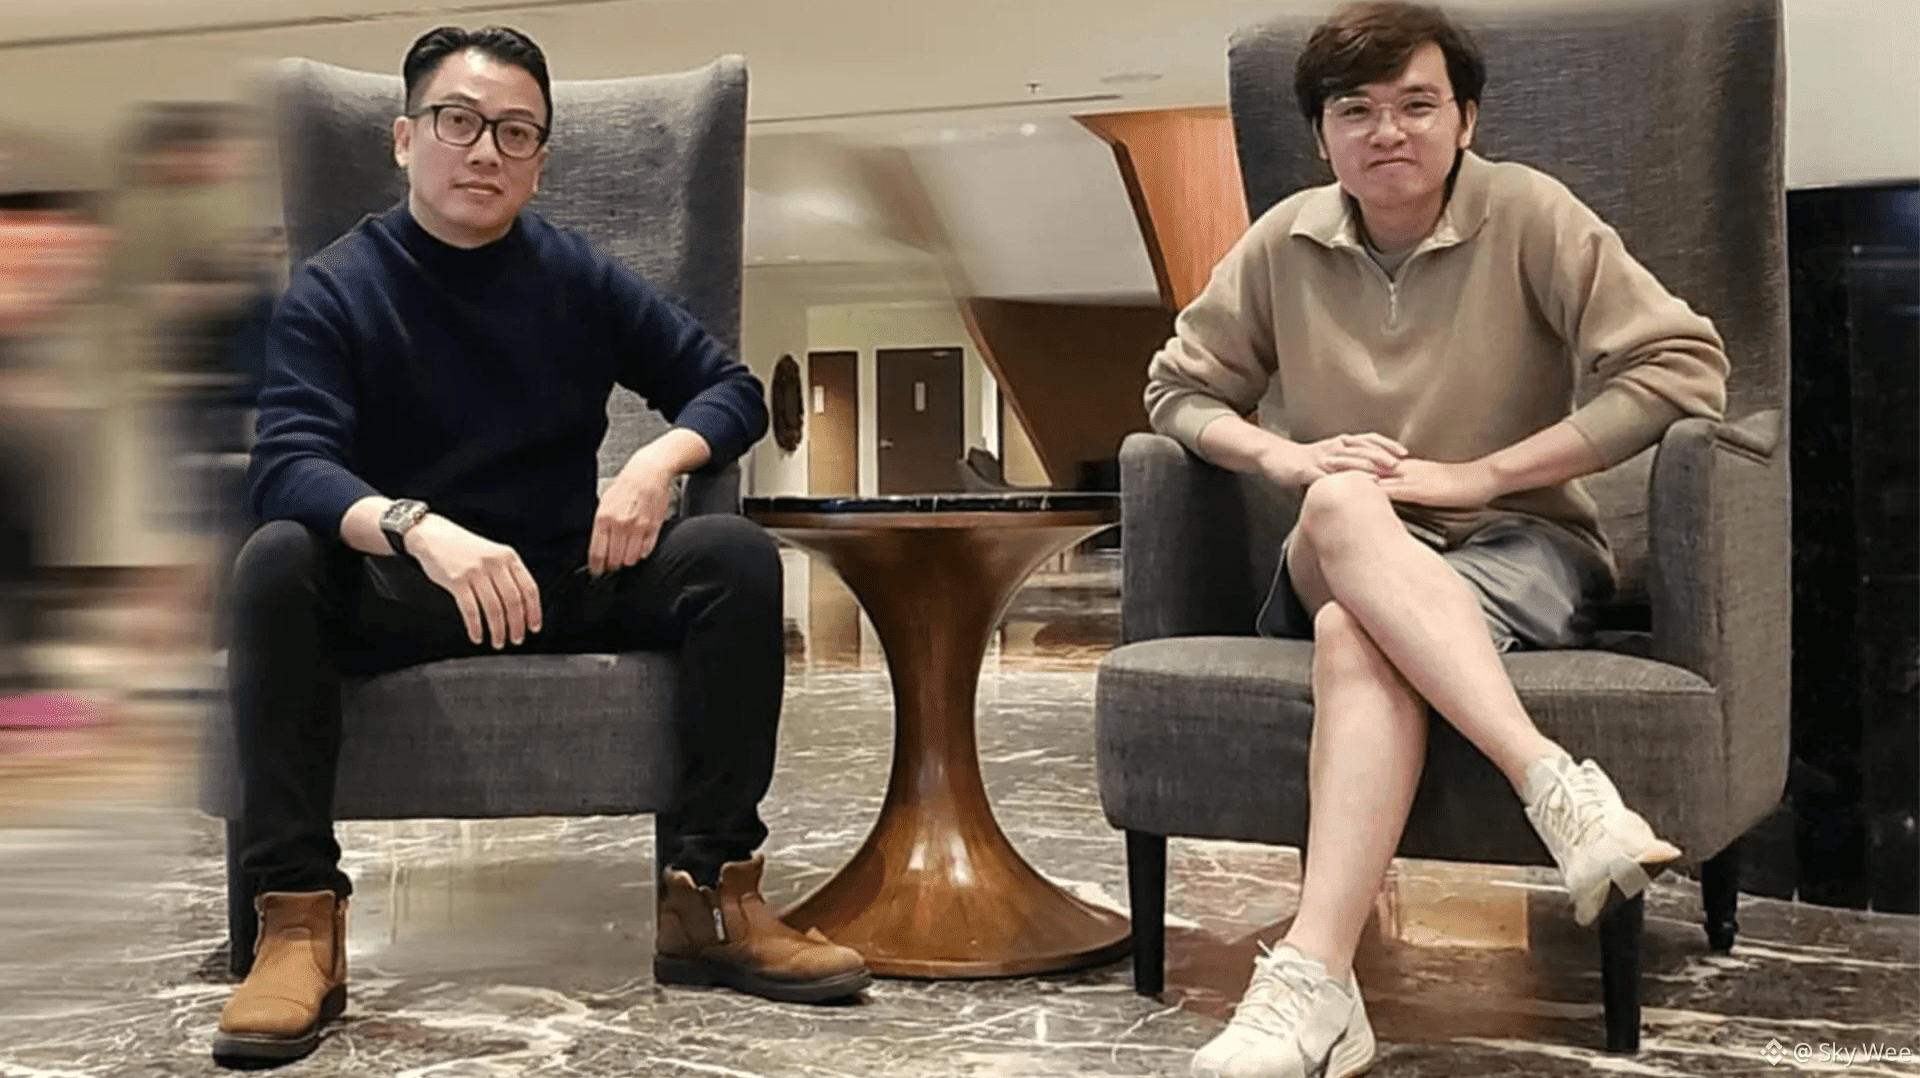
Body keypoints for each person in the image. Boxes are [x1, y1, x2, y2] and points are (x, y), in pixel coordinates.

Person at [214, 25, 868, 1068]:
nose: (485, 150)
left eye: (515, 133)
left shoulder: (576, 275)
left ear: (540, 161)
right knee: (276, 564)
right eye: (458, 122)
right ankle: (297, 923)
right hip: (405, 588)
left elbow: (728, 388)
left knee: (732, 558)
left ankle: (709, 900)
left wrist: (656, 463)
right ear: (405, 139)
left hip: (566, 575)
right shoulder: (339, 287)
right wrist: (417, 528)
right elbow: (289, 462)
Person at [1142, 4, 1728, 1077]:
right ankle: (1552, 783)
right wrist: (1285, 457)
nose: (1387, 132)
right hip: (1333, 542)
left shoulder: (1528, 212)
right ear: (1322, 135)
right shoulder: (1284, 240)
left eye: (1417, 104)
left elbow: (1682, 367)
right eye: (1355, 110)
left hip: (1521, 545)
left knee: (1353, 638)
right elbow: (1177, 390)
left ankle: (1315, 979)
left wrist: (1483, 474)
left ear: (1466, 118)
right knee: (1339, 504)